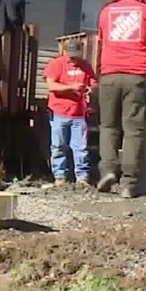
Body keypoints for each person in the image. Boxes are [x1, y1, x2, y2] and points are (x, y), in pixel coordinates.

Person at [95, 0, 146, 197]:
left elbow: (101, 40)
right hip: (137, 75)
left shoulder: (107, 11)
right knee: (133, 129)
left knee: (108, 126)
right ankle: (129, 182)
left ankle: (107, 170)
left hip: (109, 74)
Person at [43, 38, 97, 185]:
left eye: (76, 55)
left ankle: (82, 178)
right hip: (59, 111)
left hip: (79, 113)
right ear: (64, 52)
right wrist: (72, 87)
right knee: (58, 146)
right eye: (70, 56)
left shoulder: (85, 66)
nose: (73, 59)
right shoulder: (56, 64)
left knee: (81, 148)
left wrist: (89, 90)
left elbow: (94, 84)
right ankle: (60, 177)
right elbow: (52, 86)